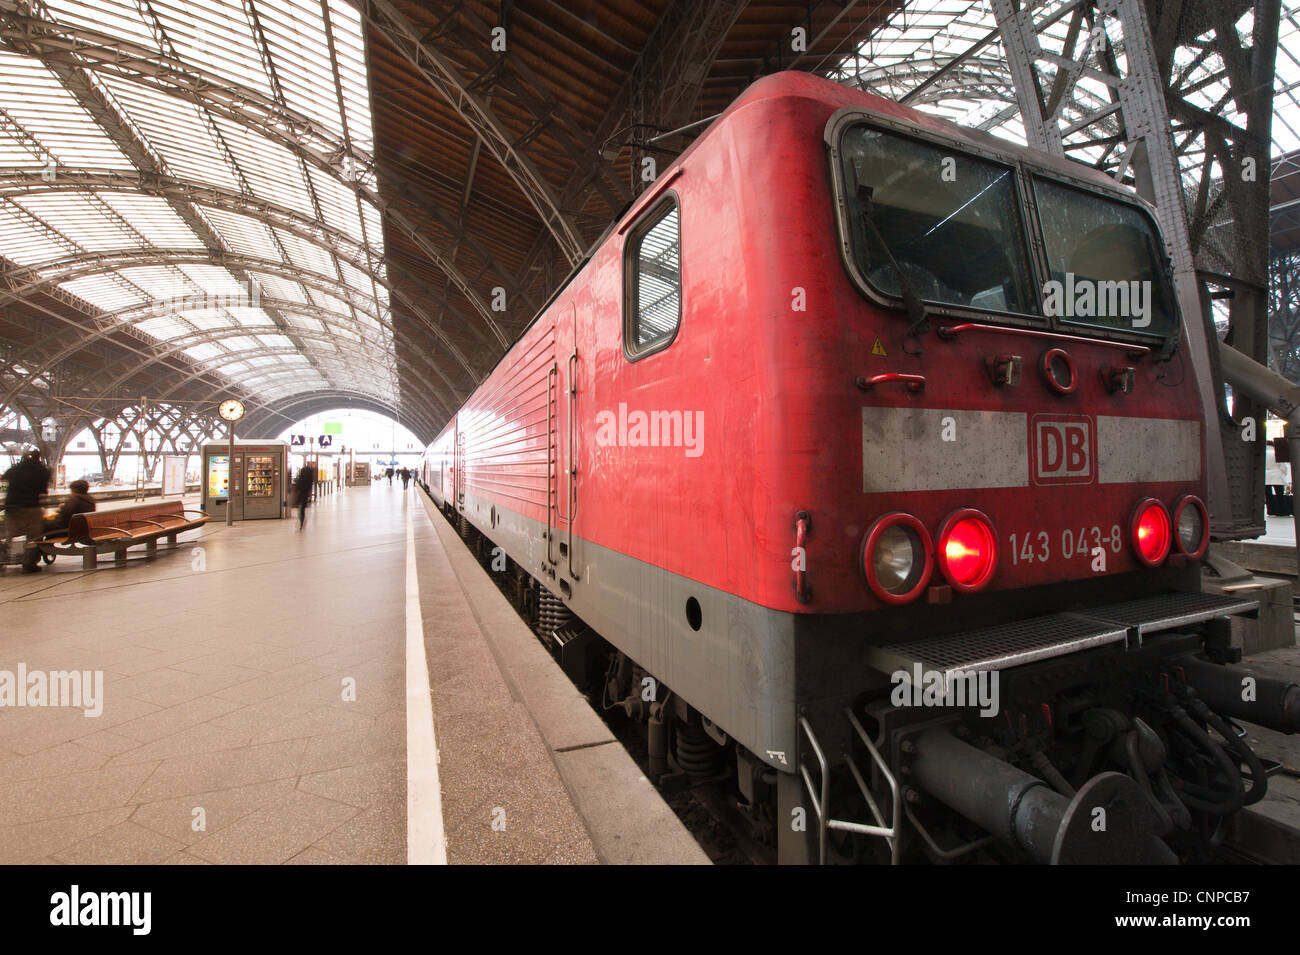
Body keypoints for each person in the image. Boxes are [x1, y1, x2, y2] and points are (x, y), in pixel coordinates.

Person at [2, 450, 52, 573]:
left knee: (10, 535)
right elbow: (44, 491)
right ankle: (28, 563)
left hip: (12, 507)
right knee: (33, 537)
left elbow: (5, 477)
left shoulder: (16, 469)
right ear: (39, 458)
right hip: (32, 507)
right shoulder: (42, 471)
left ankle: (3, 559)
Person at [293, 464, 316, 530]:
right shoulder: (309, 479)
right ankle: (302, 520)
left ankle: (301, 520)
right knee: (302, 508)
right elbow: (309, 488)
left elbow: (297, 487)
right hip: (305, 495)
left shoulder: (301, 478)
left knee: (300, 508)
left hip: (300, 495)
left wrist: (297, 490)